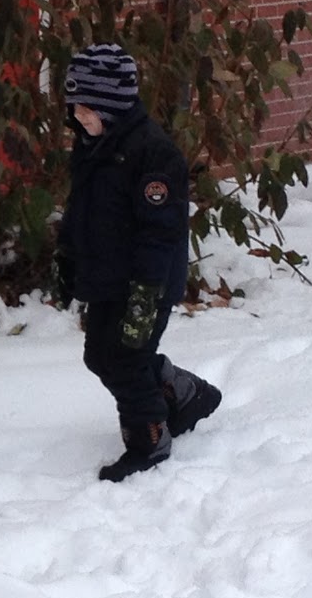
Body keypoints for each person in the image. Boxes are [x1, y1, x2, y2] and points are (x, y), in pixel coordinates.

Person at [57, 41, 222, 482]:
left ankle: (148, 439)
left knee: (127, 358)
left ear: (111, 104)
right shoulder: (93, 146)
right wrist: (69, 258)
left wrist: (145, 298)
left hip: (144, 283)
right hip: (107, 278)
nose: (78, 115)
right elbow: (81, 212)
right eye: (74, 106)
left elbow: (159, 234)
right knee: (100, 356)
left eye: (86, 107)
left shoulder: (153, 155)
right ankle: (182, 393)